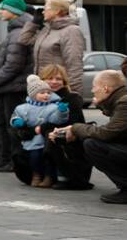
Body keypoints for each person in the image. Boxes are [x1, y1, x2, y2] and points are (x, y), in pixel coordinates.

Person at [49, 70, 127, 204]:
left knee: (93, 145)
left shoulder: (124, 102)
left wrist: (75, 128)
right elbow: (117, 131)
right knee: (91, 141)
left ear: (105, 88)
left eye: (94, 86)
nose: (92, 90)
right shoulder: (121, 99)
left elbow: (107, 133)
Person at [0, 0, 32, 172]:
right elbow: (7, 60)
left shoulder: (18, 32)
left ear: (14, 11)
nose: (0, 12)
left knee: (10, 125)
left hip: (13, 87)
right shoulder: (14, 30)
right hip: (8, 85)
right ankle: (2, 157)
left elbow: (14, 64)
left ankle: (11, 160)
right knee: (0, 122)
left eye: (3, 8)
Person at [8, 75, 70, 188]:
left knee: (47, 158)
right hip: (31, 139)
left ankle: (48, 176)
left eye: (48, 92)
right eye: (42, 93)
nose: (46, 95)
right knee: (33, 157)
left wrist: (62, 111)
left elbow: (57, 120)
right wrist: (17, 121)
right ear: (32, 95)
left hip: (44, 138)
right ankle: (36, 174)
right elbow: (14, 116)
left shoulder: (53, 107)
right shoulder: (22, 108)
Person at [18, 0, 85, 95]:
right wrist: (34, 23)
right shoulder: (47, 30)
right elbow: (24, 40)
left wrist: (73, 93)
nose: (43, 12)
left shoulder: (71, 30)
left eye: (46, 8)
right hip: (43, 87)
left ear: (57, 11)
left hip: (59, 88)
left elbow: (74, 64)